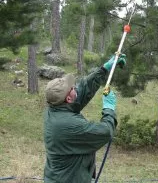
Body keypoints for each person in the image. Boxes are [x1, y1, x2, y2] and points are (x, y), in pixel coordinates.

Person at [43, 54, 126, 183]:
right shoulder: (68, 125)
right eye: (71, 88)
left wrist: (104, 69)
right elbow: (105, 132)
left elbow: (83, 90)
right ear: (68, 99)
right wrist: (109, 108)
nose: (75, 87)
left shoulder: (56, 109)